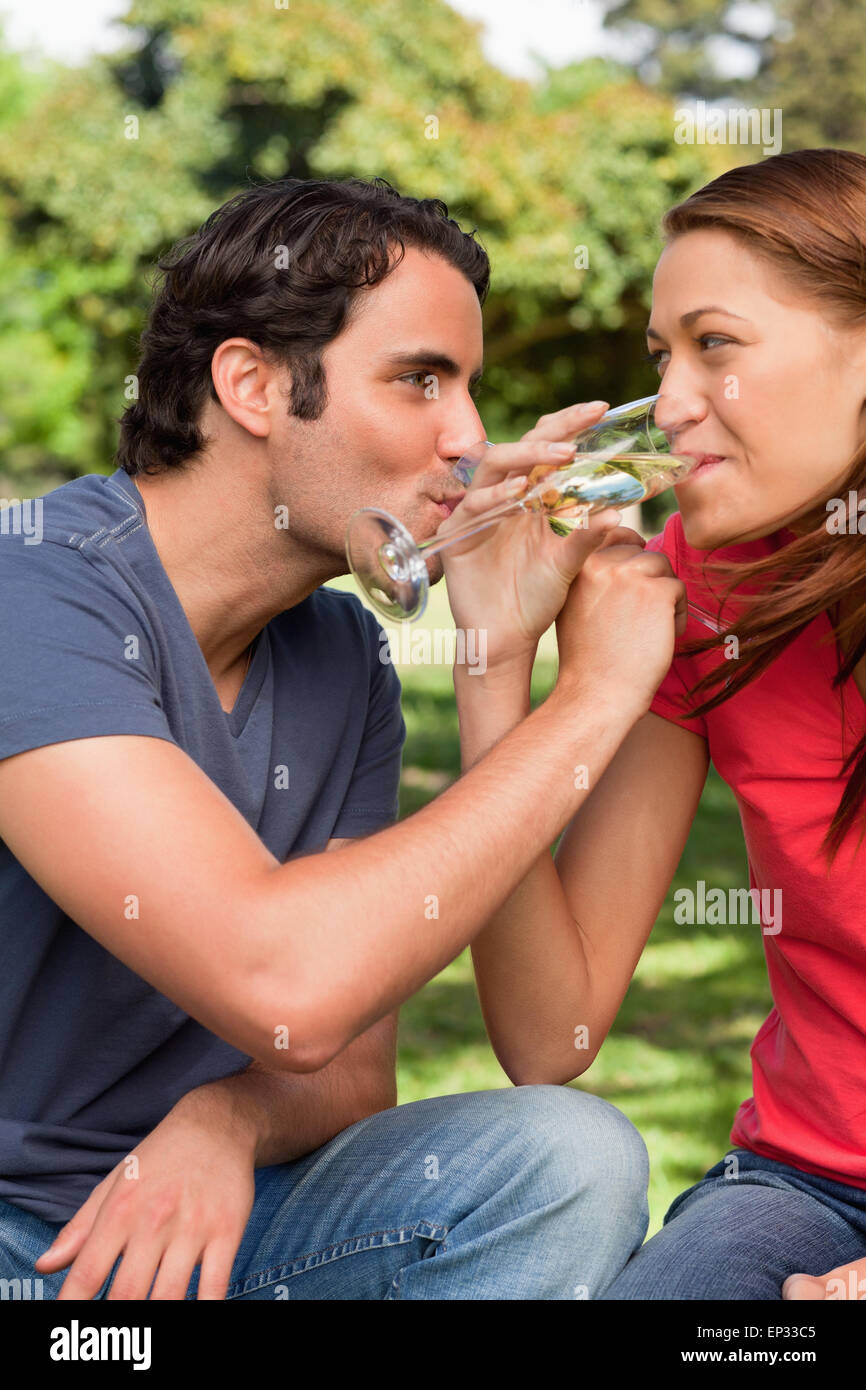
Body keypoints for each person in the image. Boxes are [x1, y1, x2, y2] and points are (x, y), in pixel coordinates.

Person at [0, 176, 676, 1300]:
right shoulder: (36, 594)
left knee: (567, 1156)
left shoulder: (333, 654)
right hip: (21, 1238)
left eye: (466, 387)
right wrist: (593, 698)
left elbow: (350, 1069)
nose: (467, 437)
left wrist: (227, 1117)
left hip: (212, 1219)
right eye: (419, 380)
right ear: (254, 383)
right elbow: (289, 985)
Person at [486, 145, 866, 1302]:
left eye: (715, 344)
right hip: (806, 1183)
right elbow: (550, 1041)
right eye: (662, 354)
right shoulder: (701, 583)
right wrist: (499, 659)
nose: (673, 400)